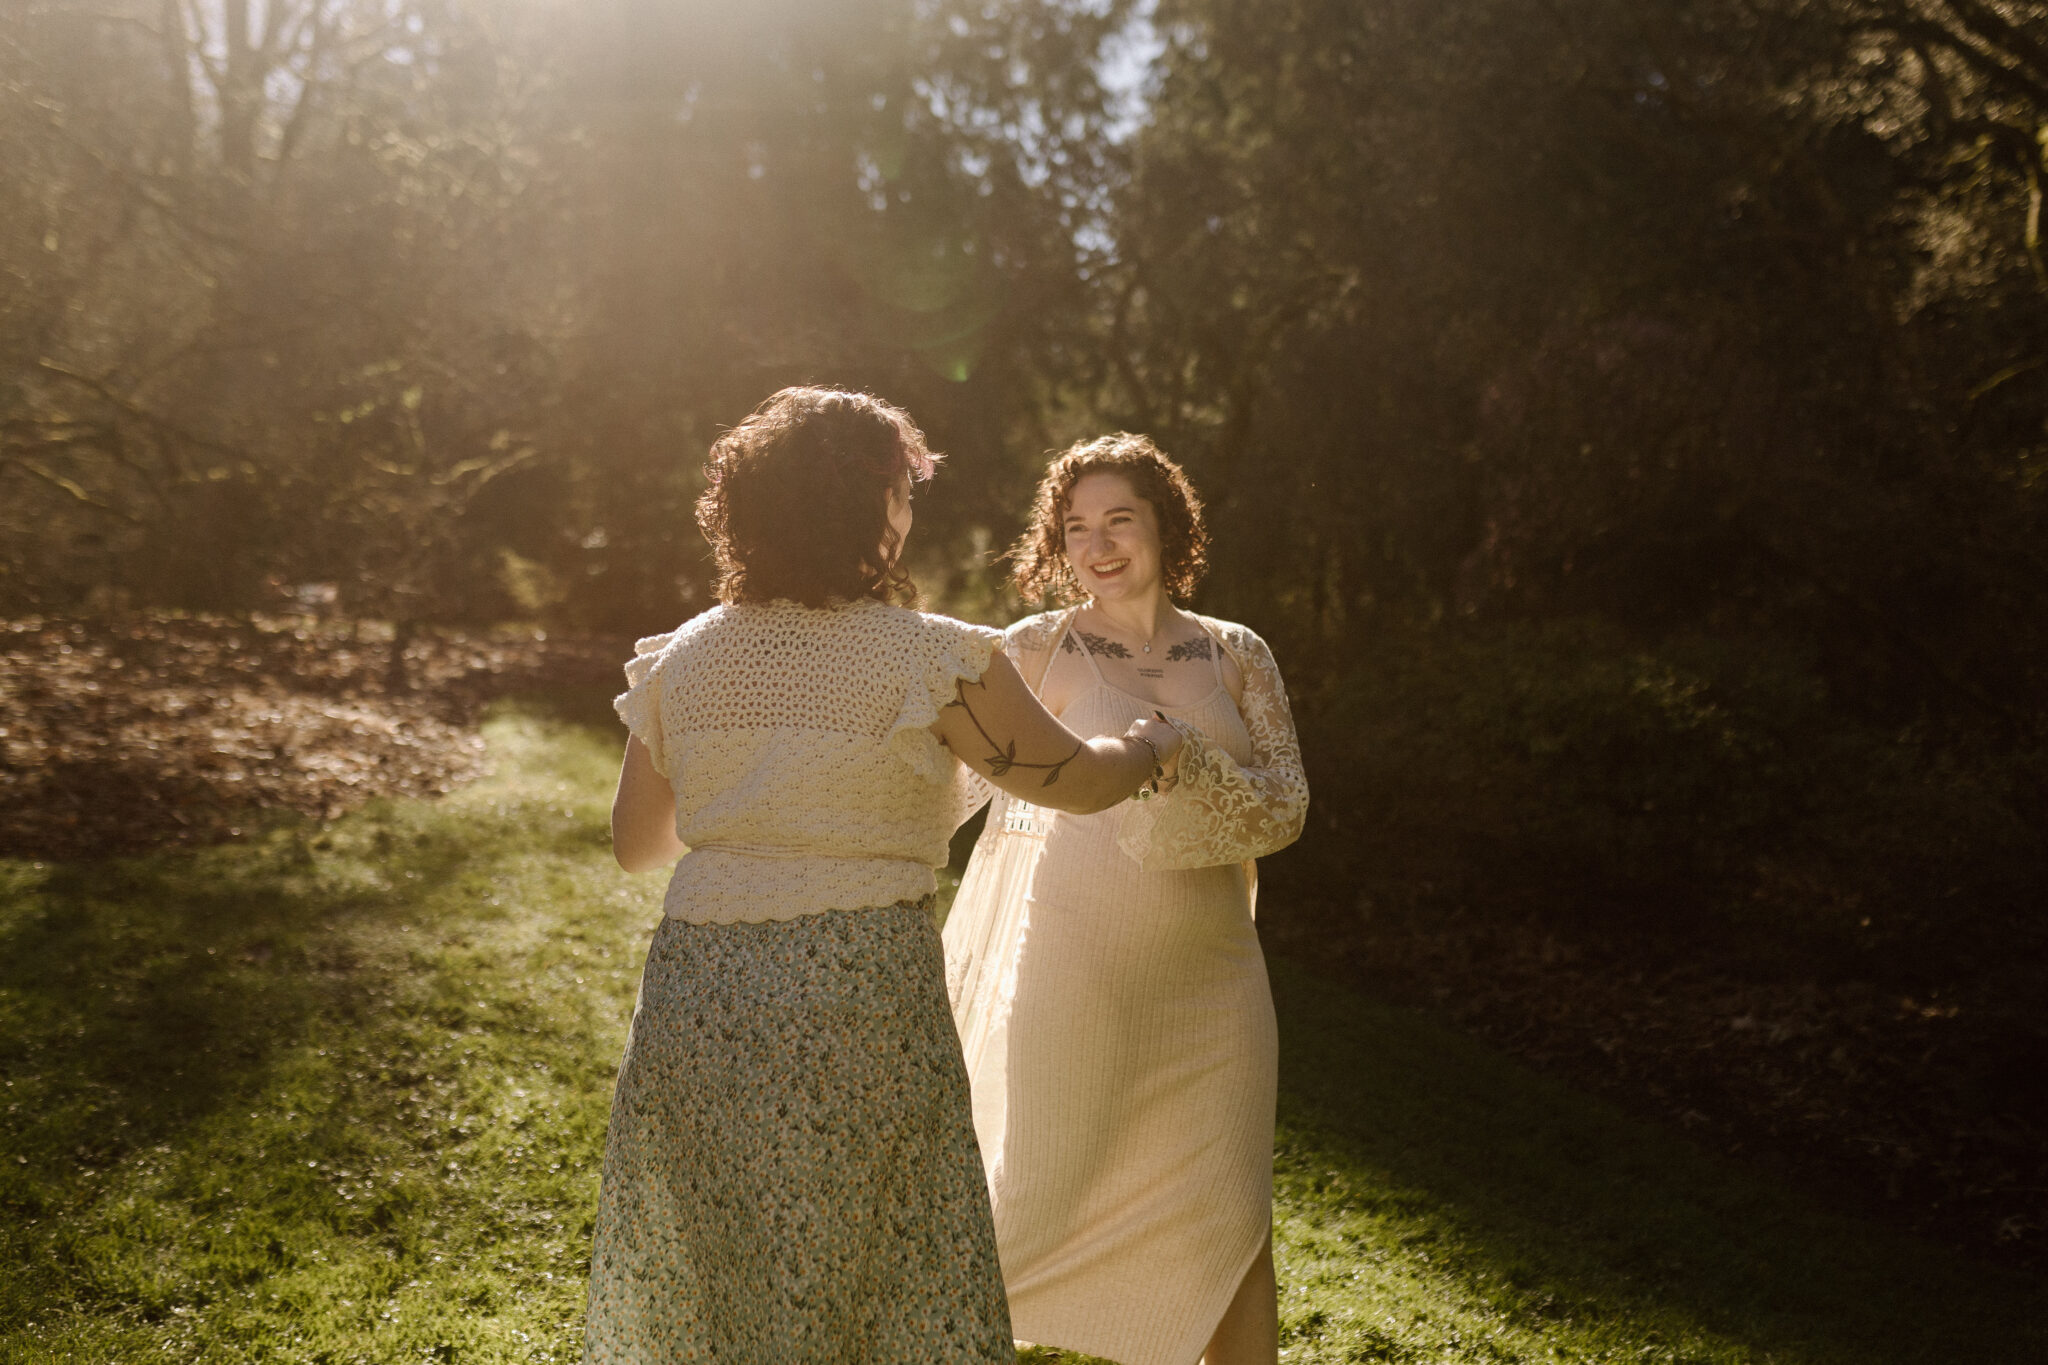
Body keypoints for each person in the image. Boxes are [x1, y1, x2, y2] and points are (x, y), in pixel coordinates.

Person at [586, 388, 1185, 1364]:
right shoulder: (931, 659)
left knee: (723, 1256)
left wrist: (760, 807)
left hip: (699, 988)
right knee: (875, 1258)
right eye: (900, 494)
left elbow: (637, 844)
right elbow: (1074, 781)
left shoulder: (685, 658)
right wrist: (1150, 741)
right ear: (867, 509)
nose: (907, 517)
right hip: (855, 982)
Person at [943, 433, 1309, 1365]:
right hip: (1073, 963)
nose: (1098, 545)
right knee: (1026, 1200)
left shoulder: (1236, 653)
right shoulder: (1035, 647)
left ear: (1164, 526)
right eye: (1076, 528)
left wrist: (1188, 761)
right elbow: (943, 787)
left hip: (1212, 978)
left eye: (1119, 520)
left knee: (1233, 1221)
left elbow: (1287, 805)